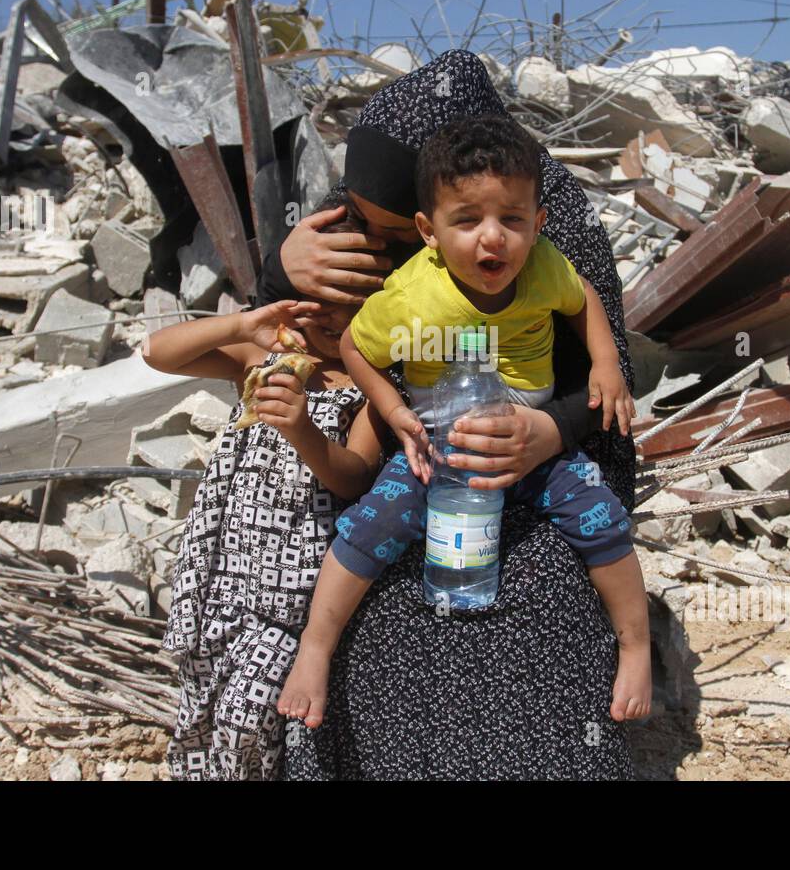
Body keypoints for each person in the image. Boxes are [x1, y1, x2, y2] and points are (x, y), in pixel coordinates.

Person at [268, 50, 640, 780]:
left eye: (387, 237)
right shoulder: (401, 263)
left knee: (546, 629)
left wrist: (550, 432)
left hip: (536, 470)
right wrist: (282, 266)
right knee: (374, 633)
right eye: (364, 226)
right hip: (422, 463)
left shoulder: (546, 244)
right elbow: (307, 332)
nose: (374, 249)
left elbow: (608, 380)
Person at [144, 211, 387, 780]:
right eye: (316, 298)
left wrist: (303, 430)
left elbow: (355, 476)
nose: (330, 317)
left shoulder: (366, 386)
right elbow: (157, 352)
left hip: (290, 596)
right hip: (225, 575)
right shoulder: (264, 358)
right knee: (206, 694)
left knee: (255, 716)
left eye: (351, 304)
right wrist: (243, 325)